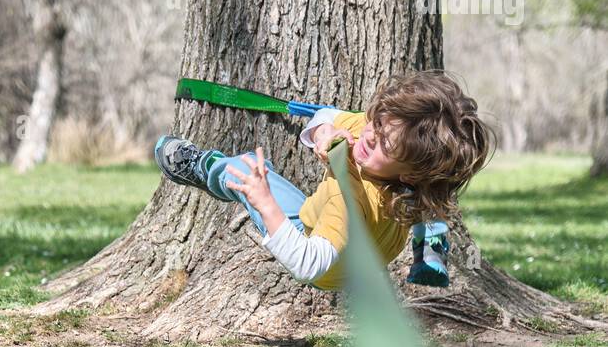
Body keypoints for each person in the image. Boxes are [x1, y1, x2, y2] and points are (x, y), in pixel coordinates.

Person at [155, 71, 495, 291]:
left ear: (409, 172)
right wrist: (324, 131)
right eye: (377, 123)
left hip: (316, 248)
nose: (369, 136)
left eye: (384, 144)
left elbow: (307, 263)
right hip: (361, 261)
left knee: (248, 169)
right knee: (428, 202)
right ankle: (430, 263)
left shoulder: (352, 201)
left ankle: (199, 166)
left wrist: (264, 203)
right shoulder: (395, 160)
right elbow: (328, 116)